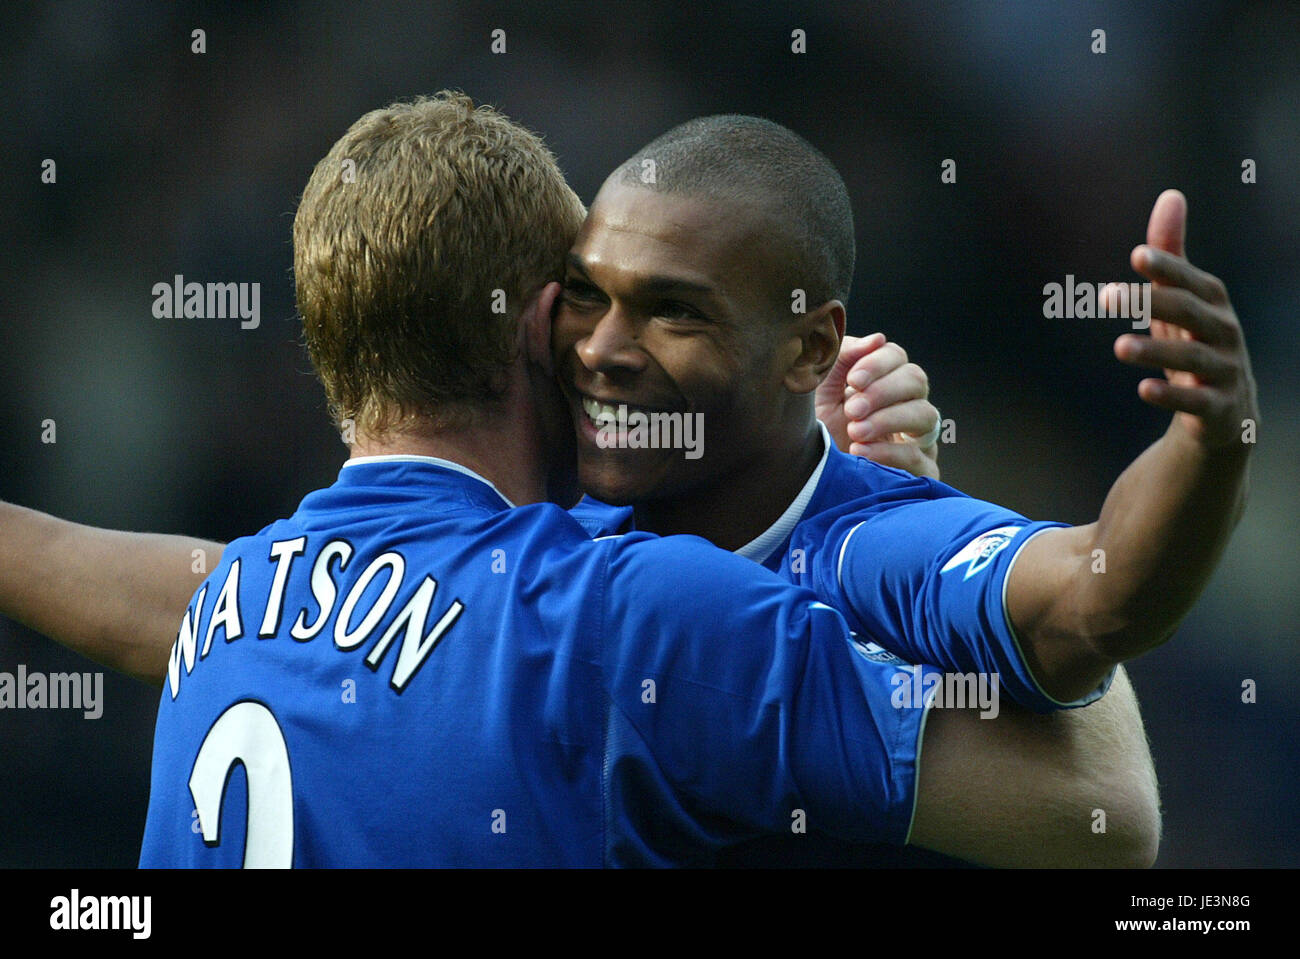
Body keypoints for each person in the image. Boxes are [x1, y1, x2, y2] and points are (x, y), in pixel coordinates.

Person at [0, 93, 1161, 867]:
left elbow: (67, 563)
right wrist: (925, 514)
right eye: (590, 300)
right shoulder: (624, 612)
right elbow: (1105, 816)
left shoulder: (231, 607)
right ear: (545, 326)